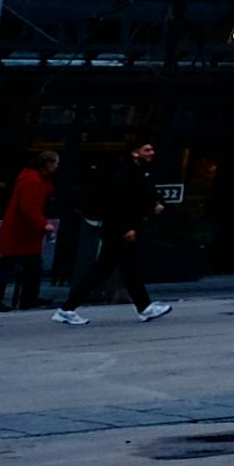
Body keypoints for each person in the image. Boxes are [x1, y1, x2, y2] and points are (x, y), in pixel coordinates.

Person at [55, 140, 171, 327]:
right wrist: (127, 227)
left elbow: (142, 195)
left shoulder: (136, 172)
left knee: (120, 269)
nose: (152, 152)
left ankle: (144, 307)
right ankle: (67, 309)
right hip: (118, 229)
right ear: (135, 153)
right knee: (108, 270)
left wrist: (154, 203)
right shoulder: (125, 174)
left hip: (119, 228)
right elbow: (120, 203)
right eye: (147, 149)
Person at [0, 148, 59, 312]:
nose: (57, 167)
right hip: (21, 232)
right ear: (49, 164)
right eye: (56, 163)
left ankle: (25, 298)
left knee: (25, 266)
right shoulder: (34, 181)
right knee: (14, 267)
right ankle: (6, 299)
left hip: (21, 231)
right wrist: (44, 224)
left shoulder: (31, 178)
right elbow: (29, 207)